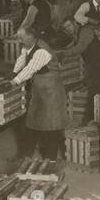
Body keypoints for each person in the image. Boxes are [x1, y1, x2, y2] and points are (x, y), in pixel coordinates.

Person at [10, 30, 70, 159]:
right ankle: (25, 155)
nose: (20, 41)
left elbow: (30, 69)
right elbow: (22, 58)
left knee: (51, 126)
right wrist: (14, 72)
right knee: (32, 121)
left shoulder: (42, 51)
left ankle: (50, 159)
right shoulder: (28, 45)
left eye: (22, 38)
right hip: (39, 88)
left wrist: (15, 81)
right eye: (19, 38)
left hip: (51, 91)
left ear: (32, 36)